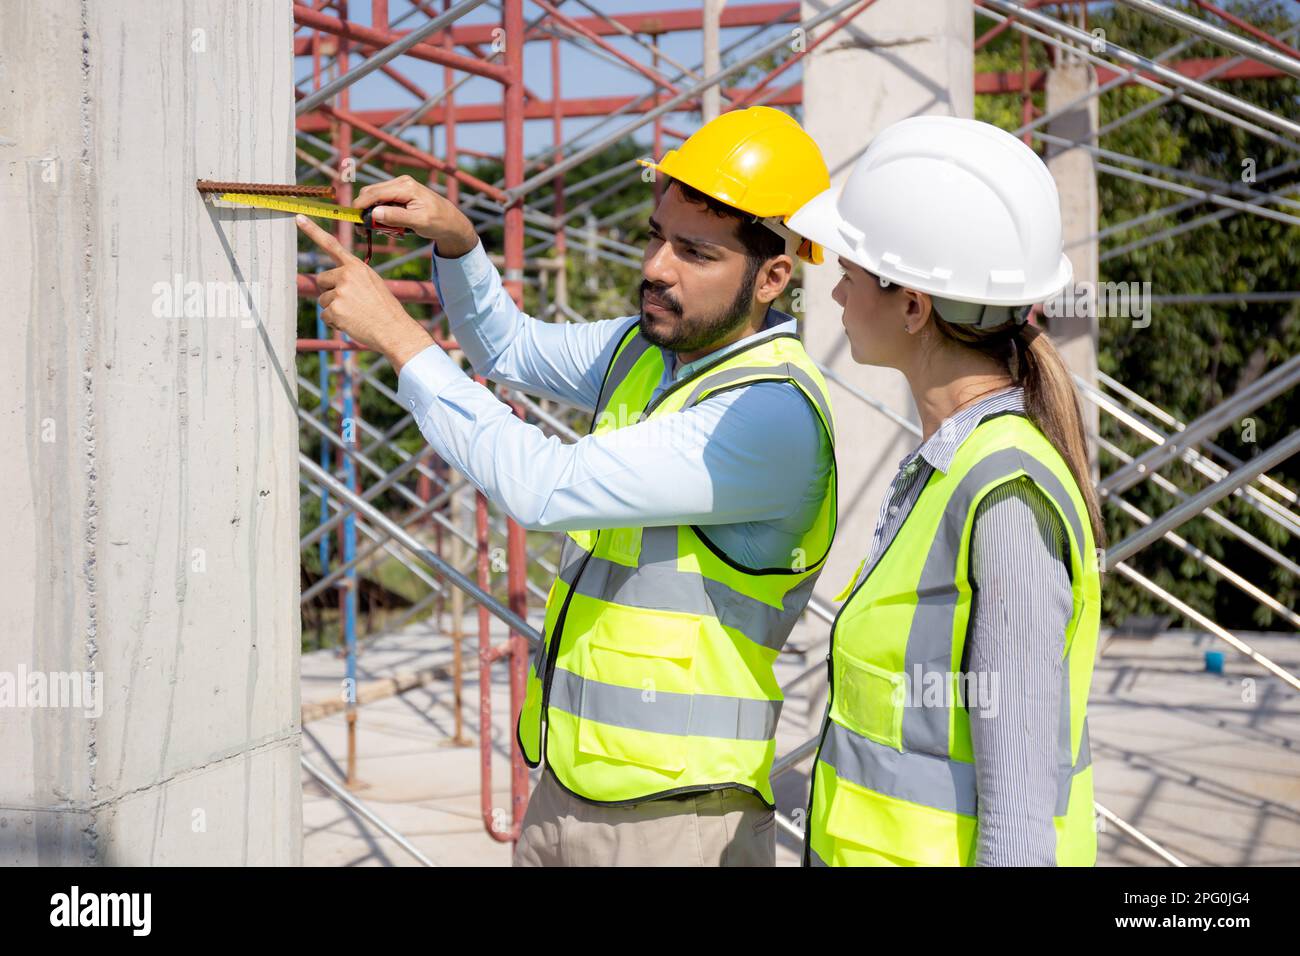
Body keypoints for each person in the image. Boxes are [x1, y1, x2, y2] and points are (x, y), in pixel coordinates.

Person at [296, 106, 839, 866]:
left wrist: (399, 337)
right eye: (656, 236)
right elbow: (509, 348)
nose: (655, 267)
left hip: (678, 823)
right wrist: (459, 243)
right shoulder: (648, 351)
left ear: (772, 277)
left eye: (695, 252)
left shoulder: (768, 415)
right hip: (566, 788)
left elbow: (545, 486)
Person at [785, 115, 1104, 867]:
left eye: (852, 272)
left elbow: (1020, 825)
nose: (833, 289)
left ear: (913, 305)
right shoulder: (954, 464)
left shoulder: (1006, 498)